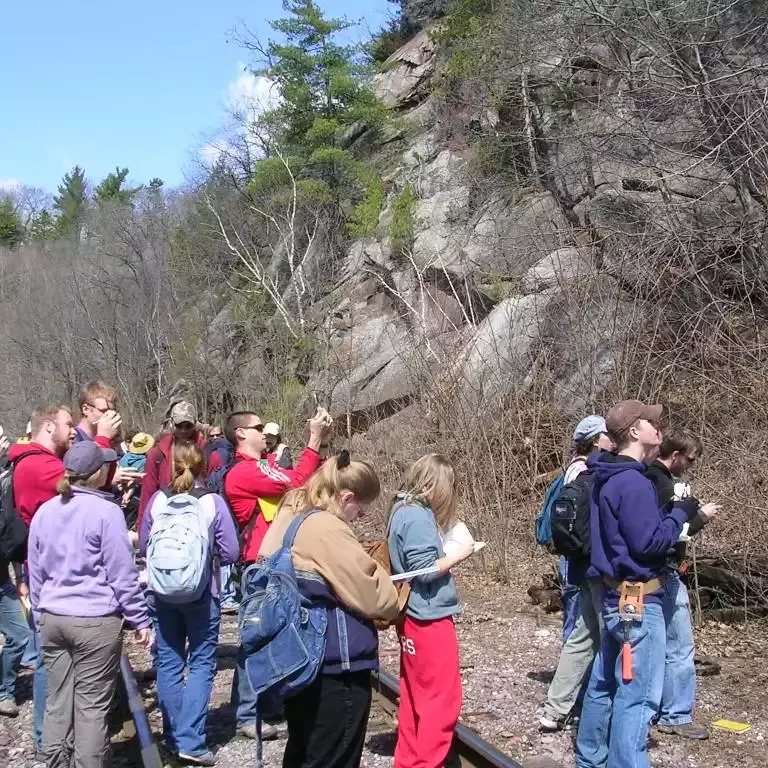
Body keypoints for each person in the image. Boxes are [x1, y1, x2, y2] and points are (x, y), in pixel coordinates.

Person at [575, 401, 719, 768]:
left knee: (604, 683)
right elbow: (649, 543)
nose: (659, 427)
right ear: (635, 433)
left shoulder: (605, 474)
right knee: (638, 696)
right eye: (652, 423)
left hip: (611, 593)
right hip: (639, 600)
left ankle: (590, 759)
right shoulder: (633, 482)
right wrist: (681, 514)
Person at [258, 452, 399, 768]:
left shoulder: (295, 511)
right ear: (347, 497)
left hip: (303, 662)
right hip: (336, 668)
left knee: (304, 750)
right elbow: (375, 596)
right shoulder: (326, 527)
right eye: (360, 512)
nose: (358, 519)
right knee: (333, 758)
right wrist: (385, 581)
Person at [27, 441, 152, 768]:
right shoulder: (106, 512)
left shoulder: (46, 510)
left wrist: (40, 612)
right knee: (91, 707)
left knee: (58, 701)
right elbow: (122, 573)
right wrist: (140, 619)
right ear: (98, 473)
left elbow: (35, 568)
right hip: (94, 621)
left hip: (54, 617)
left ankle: (53, 762)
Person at [224, 409, 331, 740]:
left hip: (275, 561)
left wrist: (321, 446)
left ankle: (268, 705)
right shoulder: (243, 472)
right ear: (241, 434)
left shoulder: (264, 466)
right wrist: (313, 438)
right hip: (260, 564)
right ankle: (247, 713)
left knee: (276, 631)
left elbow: (300, 484)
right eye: (258, 427)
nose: (263, 432)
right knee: (257, 635)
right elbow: (296, 483)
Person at [140, 443, 239, 766]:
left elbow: (144, 545)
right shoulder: (212, 502)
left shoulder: (158, 501)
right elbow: (232, 552)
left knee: (168, 662)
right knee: (200, 664)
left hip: (161, 593)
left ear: (171, 468)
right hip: (201, 593)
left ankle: (172, 735)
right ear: (203, 469)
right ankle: (191, 742)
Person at [387, 454, 475, 768]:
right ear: (437, 486)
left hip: (411, 616)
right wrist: (461, 553)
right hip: (429, 618)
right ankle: (427, 762)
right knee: (441, 700)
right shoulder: (417, 515)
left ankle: (408, 760)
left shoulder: (399, 508)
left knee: (413, 696)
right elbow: (424, 570)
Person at [539, 416, 614, 732]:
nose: (612, 438)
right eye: (607, 434)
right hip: (588, 564)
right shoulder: (588, 470)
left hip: (580, 561)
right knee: (597, 635)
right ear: (596, 439)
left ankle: (556, 709)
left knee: (581, 636)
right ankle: (595, 706)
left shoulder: (576, 468)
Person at [9, 405, 76, 753]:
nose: (73, 430)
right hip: (54, 573)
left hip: (45, 571)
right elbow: (81, 494)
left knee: (53, 657)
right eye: (68, 425)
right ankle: (45, 739)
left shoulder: (27, 461)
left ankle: (48, 736)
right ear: (48, 426)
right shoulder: (42, 464)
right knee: (52, 659)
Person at [645, 430, 712, 740]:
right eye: (690, 460)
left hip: (657, 571)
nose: (690, 466)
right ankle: (675, 714)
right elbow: (672, 529)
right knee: (680, 645)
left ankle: (653, 710)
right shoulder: (660, 483)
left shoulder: (646, 477)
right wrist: (700, 516)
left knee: (657, 644)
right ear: (675, 456)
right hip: (665, 570)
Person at [137, 401, 203, 531]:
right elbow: (147, 494)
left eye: (188, 425)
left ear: (195, 424)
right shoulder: (156, 455)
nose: (183, 430)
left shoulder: (205, 450)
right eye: (179, 425)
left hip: (199, 522)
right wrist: (142, 528)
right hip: (164, 523)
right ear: (172, 423)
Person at [72, 380, 123, 449]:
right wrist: (103, 439)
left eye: (112, 411)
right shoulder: (73, 440)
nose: (109, 416)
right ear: (85, 409)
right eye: (103, 411)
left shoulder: (113, 440)